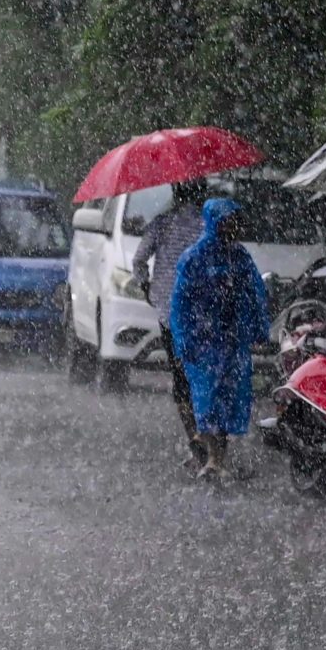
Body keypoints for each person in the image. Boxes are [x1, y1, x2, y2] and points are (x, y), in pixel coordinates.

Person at [169, 199, 271, 480]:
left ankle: (217, 458)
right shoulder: (194, 258)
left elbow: (255, 293)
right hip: (202, 344)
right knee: (206, 399)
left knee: (229, 401)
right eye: (228, 220)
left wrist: (260, 327)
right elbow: (179, 304)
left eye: (235, 220)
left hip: (232, 341)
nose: (234, 226)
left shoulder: (239, 257)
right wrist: (183, 340)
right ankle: (208, 452)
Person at [131, 180, 209, 470]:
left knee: (181, 379)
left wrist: (146, 286)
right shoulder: (208, 226)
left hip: (170, 312)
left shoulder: (162, 223)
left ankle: (195, 441)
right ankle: (212, 445)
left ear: (176, 194)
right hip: (204, 315)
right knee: (203, 377)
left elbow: (139, 260)